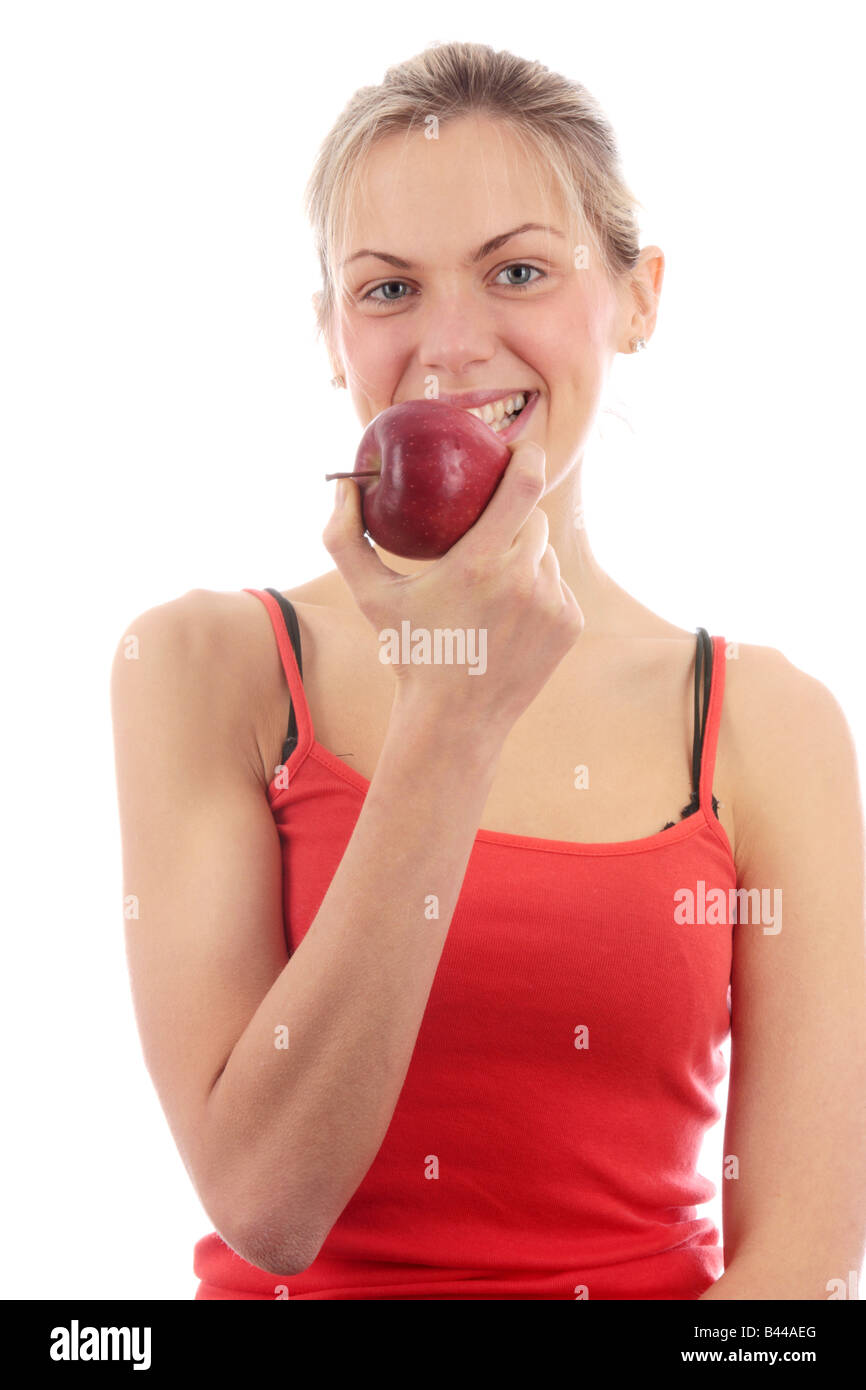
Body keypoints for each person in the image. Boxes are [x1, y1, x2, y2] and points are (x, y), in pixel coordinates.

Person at [110, 41, 866, 1300]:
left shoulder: (768, 725)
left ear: (637, 298)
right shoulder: (204, 666)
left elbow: (797, 1270)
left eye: (517, 270)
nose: (451, 346)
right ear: (331, 331)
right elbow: (265, 1205)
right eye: (388, 289)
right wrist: (449, 720)